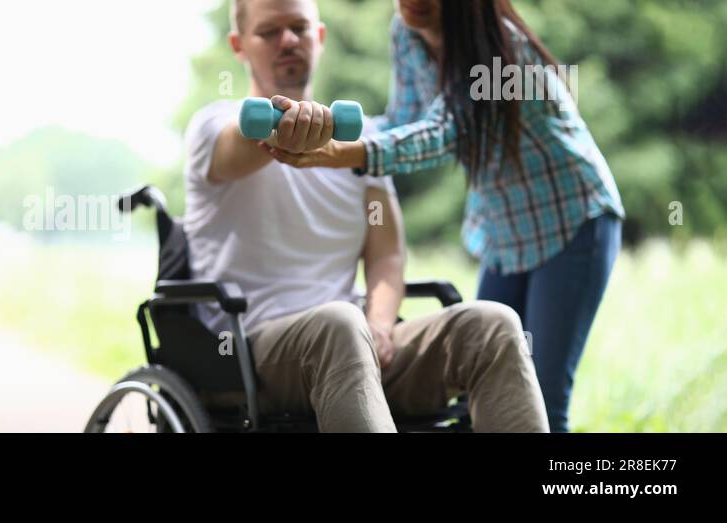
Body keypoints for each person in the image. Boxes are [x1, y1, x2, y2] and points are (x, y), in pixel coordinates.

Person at [183, 0, 548, 432]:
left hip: (358, 343)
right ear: (239, 45)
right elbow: (238, 147)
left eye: (299, 28)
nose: (287, 41)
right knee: (338, 323)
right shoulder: (214, 127)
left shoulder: (360, 146)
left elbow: (386, 252)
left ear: (318, 38)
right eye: (269, 32)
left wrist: (379, 323)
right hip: (252, 354)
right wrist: (285, 128)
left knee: (492, 324)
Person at [264, 0, 624, 432]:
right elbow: (405, 120)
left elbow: (443, 132)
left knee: (543, 393)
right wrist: (318, 125)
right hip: (505, 230)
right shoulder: (407, 32)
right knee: (486, 386)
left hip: (574, 219)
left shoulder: (506, 54)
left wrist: (342, 154)